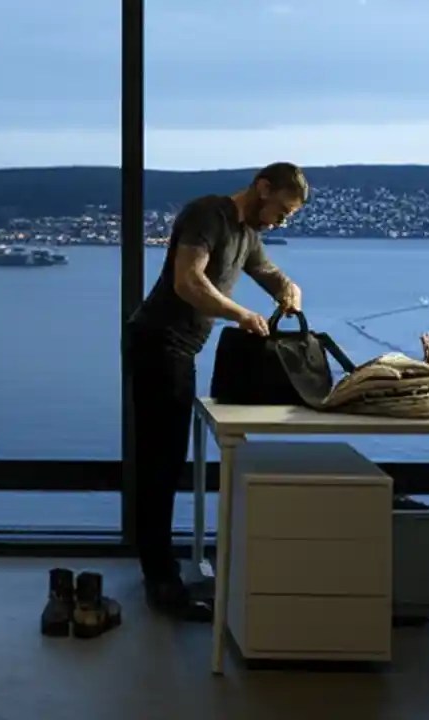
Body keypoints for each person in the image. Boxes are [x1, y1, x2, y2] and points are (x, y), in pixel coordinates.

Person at [123, 161, 308, 621]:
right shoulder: (208, 214)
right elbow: (189, 281)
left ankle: (159, 569)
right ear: (262, 188)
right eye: (282, 210)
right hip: (157, 343)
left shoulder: (247, 234)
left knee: (165, 459)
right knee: (160, 462)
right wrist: (241, 314)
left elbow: (270, 274)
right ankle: (161, 580)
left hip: (179, 348)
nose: (281, 221)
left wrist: (288, 289)